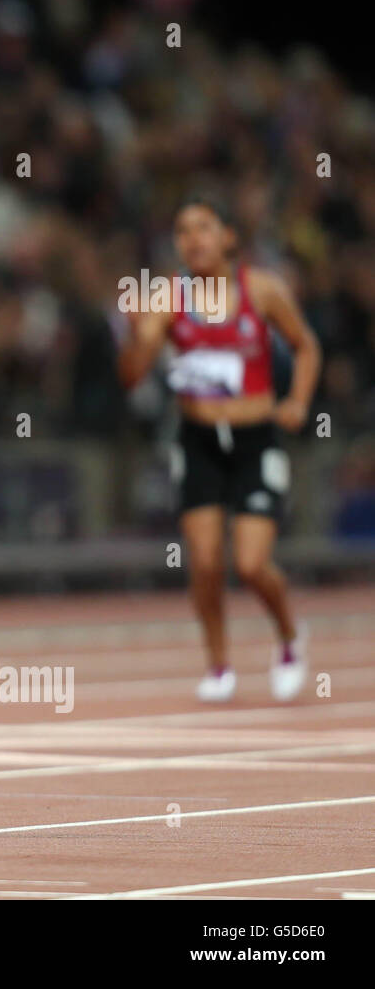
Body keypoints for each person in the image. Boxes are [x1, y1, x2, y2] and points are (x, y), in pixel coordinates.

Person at [118, 197, 321, 702]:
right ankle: (218, 665)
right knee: (206, 562)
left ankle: (290, 638)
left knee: (251, 565)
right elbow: (131, 376)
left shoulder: (262, 290)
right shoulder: (165, 298)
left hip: (255, 440)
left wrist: (296, 400)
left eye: (204, 228)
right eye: (183, 230)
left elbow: (306, 345)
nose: (193, 239)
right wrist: (137, 334)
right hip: (199, 440)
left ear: (228, 236)